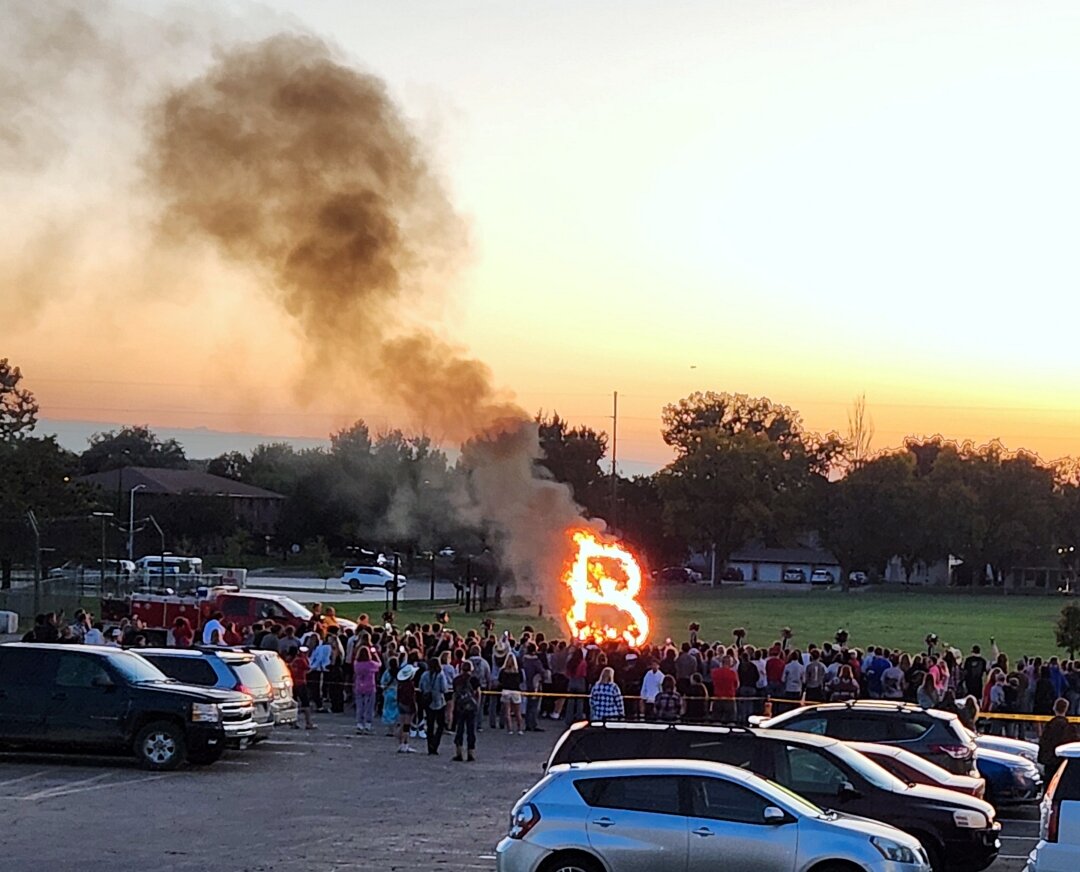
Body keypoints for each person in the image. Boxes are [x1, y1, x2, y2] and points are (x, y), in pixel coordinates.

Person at [1039, 697, 1079, 776]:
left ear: (1054, 708)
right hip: (1063, 762)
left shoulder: (1050, 726)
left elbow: (1043, 743)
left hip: (1050, 761)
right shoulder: (1070, 727)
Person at [451, 660, 481, 762]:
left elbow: (455, 694)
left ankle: (458, 753)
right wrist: (477, 704)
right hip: (471, 708)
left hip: (460, 707)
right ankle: (470, 754)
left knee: (459, 730)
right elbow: (478, 693)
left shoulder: (456, 680)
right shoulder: (474, 680)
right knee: (471, 731)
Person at [419, 656, 450, 754]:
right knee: (440, 725)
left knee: (430, 724)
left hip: (428, 702)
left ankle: (429, 746)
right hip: (439, 701)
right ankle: (435, 744)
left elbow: (421, 687)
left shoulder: (424, 675)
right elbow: (444, 688)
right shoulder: (441, 675)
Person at [286, 647, 316, 730]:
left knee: (294, 703)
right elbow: (308, 669)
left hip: (293, 683)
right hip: (301, 683)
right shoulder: (301, 660)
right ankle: (308, 723)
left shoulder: (291, 662)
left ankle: (293, 723)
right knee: (305, 703)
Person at [352, 647, 380, 735]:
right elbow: (379, 665)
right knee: (369, 707)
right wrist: (375, 655)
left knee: (360, 706)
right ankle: (368, 724)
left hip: (359, 686)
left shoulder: (356, 664)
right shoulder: (371, 664)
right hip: (370, 687)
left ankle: (359, 724)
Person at [499, 654, 525, 734]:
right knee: (517, 712)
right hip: (515, 691)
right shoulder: (518, 671)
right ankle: (520, 728)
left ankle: (510, 729)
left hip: (506, 691)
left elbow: (500, 680)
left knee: (507, 712)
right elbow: (521, 680)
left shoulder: (503, 671)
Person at [396, 663, 419, 753]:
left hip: (401, 704)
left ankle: (401, 744)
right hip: (408, 706)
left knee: (402, 724)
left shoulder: (400, 684)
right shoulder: (410, 685)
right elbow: (411, 698)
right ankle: (405, 744)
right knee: (406, 726)